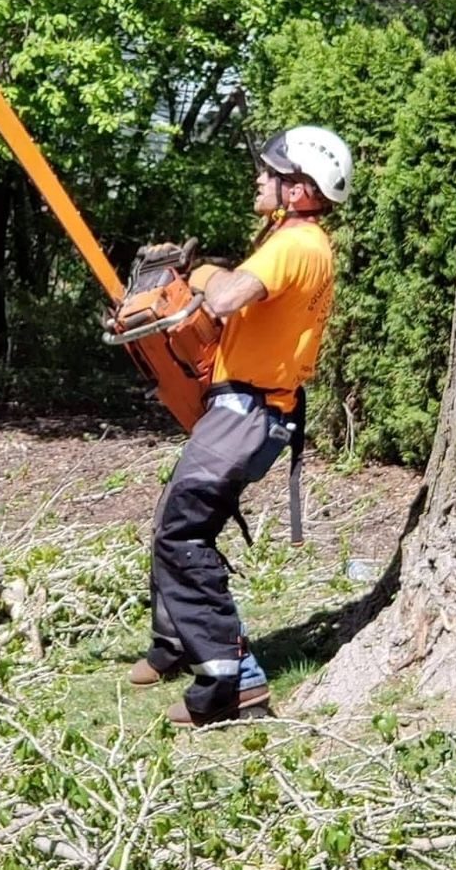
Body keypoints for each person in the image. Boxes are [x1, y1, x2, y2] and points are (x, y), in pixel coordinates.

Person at [128, 125, 353, 726]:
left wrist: (197, 277)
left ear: (299, 190)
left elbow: (226, 299)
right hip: (245, 411)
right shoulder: (296, 239)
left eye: (271, 170)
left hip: (247, 414)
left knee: (183, 534)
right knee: (172, 517)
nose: (260, 176)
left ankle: (234, 683)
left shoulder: (296, 245)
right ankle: (174, 644)